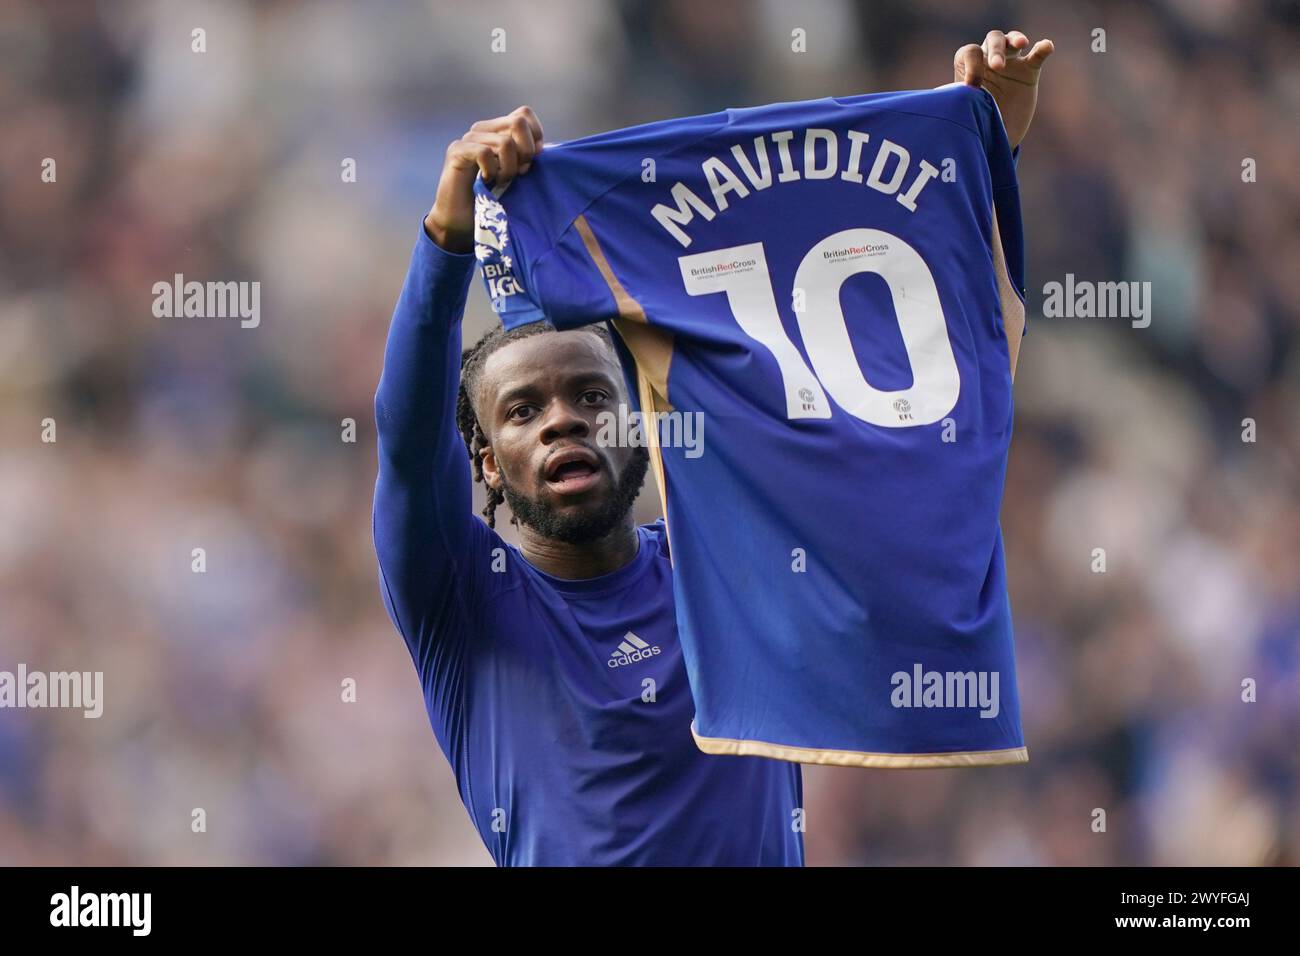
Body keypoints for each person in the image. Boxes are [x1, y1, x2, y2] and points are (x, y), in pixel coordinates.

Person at [372, 31, 1053, 866]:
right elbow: (405, 442)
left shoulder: (735, 564)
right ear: (483, 460)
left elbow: (918, 394)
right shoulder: (464, 597)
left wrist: (981, 151)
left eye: (592, 396)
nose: (562, 420)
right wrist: (446, 238)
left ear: (642, 419)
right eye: (521, 410)